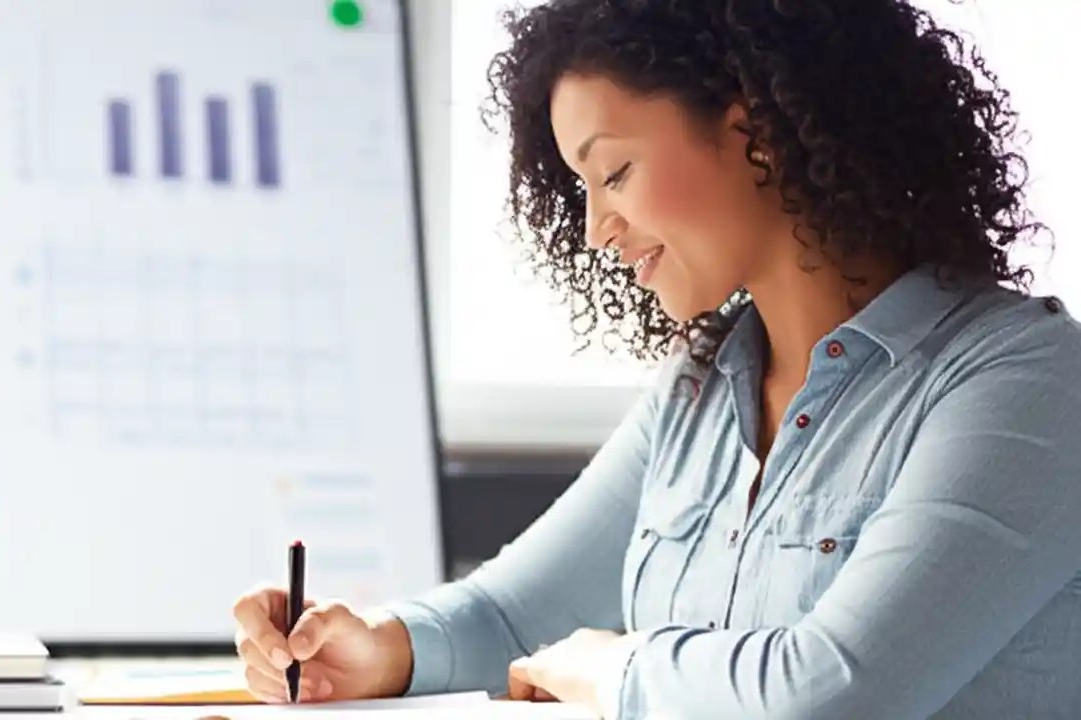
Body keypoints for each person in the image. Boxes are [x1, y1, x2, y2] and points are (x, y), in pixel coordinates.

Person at [233, 1, 1081, 717]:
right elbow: (511, 615)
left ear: (760, 134)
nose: (598, 229)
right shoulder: (700, 390)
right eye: (581, 190)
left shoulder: (1023, 380)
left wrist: (616, 669)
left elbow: (834, 691)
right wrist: (372, 648)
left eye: (614, 173)